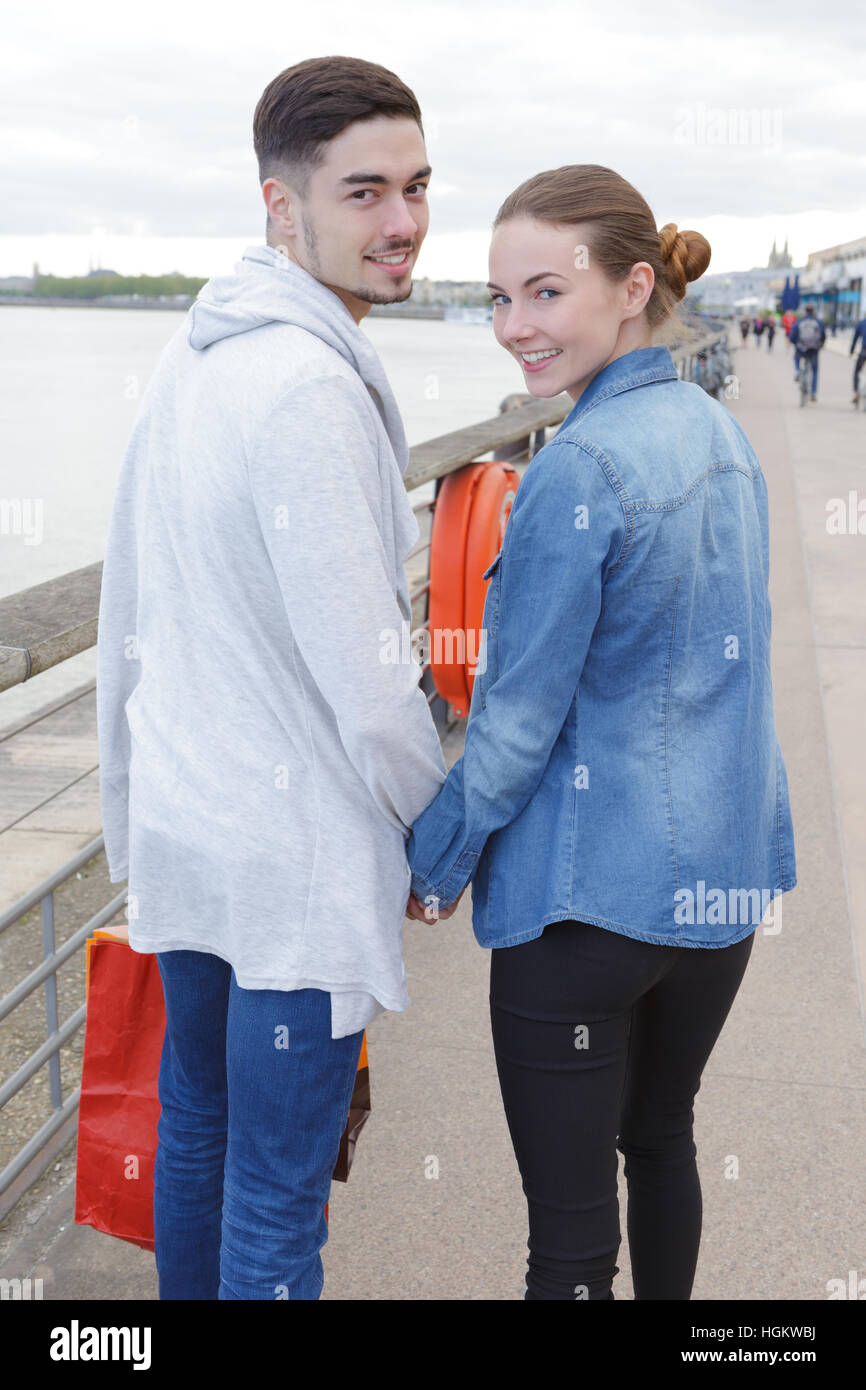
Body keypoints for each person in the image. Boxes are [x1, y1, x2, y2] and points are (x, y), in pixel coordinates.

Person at [406, 164, 797, 1300]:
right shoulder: (718, 433)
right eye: (499, 298)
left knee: (570, 1244)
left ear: (632, 289)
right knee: (662, 1137)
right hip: (716, 893)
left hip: (586, 907)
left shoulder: (577, 466)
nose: (513, 327)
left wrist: (429, 864)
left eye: (544, 293)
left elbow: (513, 727)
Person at [96, 54, 448, 1299]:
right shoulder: (303, 385)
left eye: (416, 186)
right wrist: (433, 830)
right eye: (364, 192)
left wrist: (128, 805)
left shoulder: (194, 356)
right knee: (275, 1196)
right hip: (288, 868)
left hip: (193, 832)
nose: (402, 221)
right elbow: (372, 679)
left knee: (198, 1130)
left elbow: (127, 601)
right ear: (279, 205)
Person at [789, 305, 825, 400]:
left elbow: (792, 337)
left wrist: (797, 344)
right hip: (813, 350)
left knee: (796, 357)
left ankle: (797, 371)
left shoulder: (799, 322)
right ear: (813, 312)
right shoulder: (818, 322)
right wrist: (820, 346)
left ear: (805, 311)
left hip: (801, 349)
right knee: (815, 370)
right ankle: (813, 393)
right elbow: (823, 336)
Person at [850, 310, 866, 405]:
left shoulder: (861, 323)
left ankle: (856, 393)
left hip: (864, 351)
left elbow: (855, 338)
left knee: (857, 372)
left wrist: (851, 351)